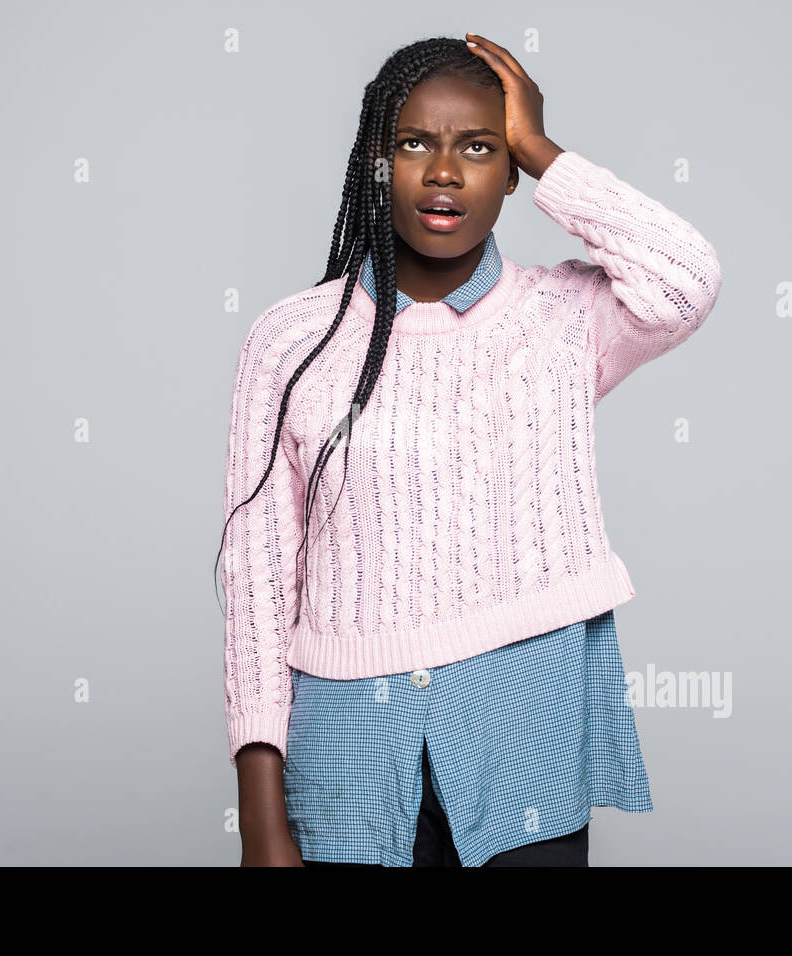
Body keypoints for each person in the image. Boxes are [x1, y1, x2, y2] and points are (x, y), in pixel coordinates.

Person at [214, 33, 722, 867]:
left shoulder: (561, 319)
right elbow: (257, 579)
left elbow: (685, 278)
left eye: (480, 148)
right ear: (378, 163)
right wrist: (261, 819)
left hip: (527, 742)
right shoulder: (293, 341)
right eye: (414, 143)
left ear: (508, 172)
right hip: (349, 760)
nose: (444, 172)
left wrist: (545, 151)